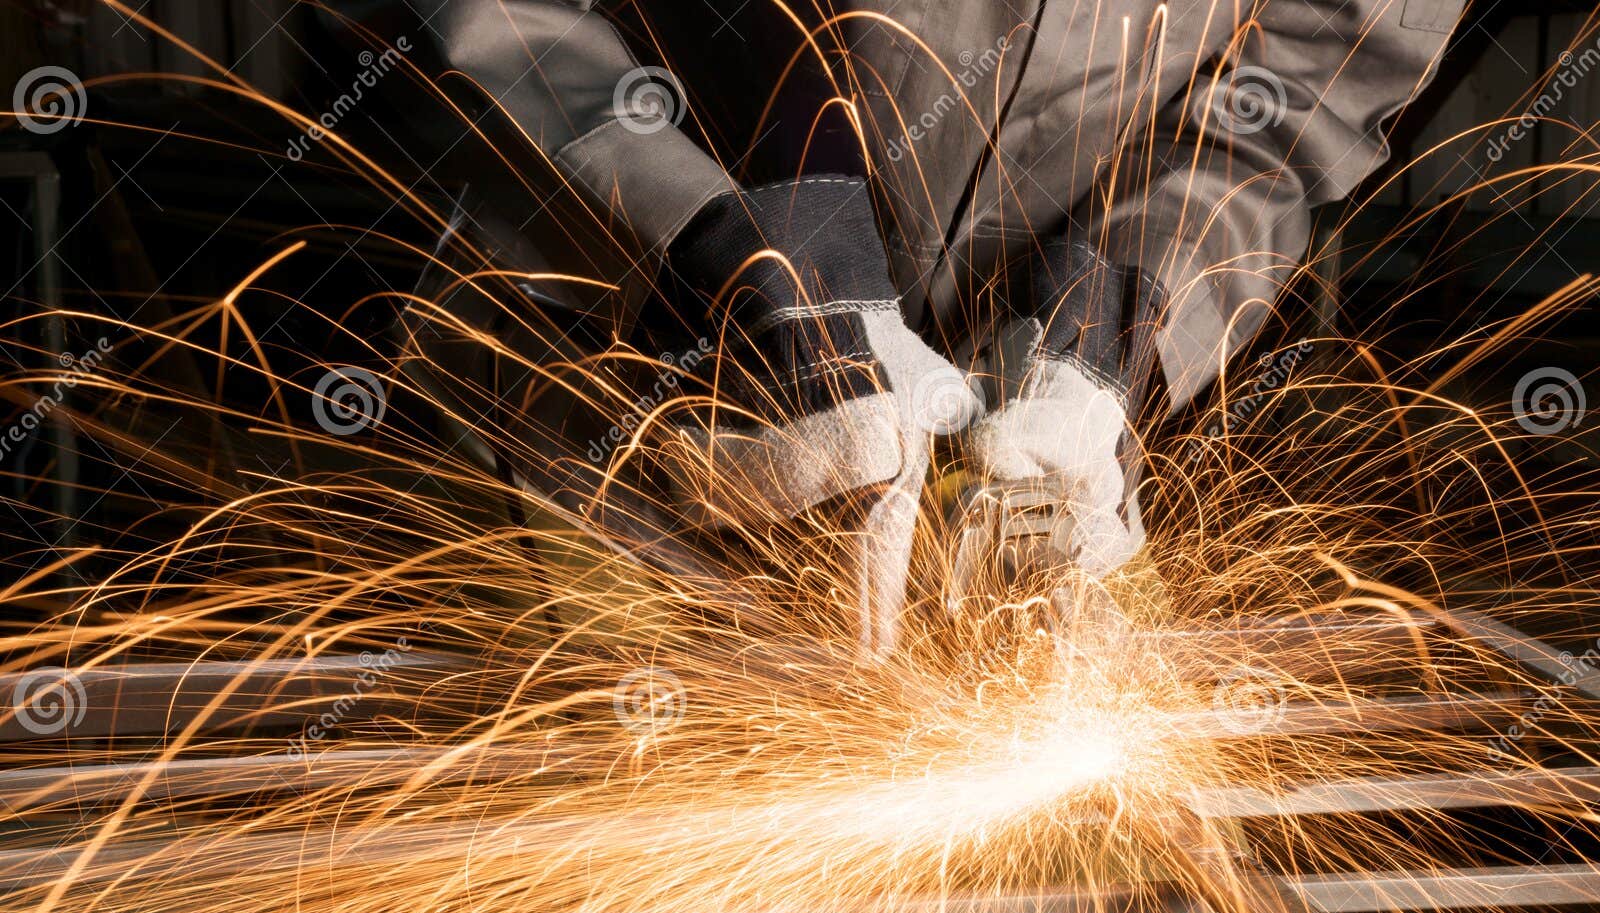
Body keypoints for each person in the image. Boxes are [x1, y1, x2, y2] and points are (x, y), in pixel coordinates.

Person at [326, 0, 1464, 652]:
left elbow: (1305, 80)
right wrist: (727, 262)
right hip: (609, 364)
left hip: (1023, 438)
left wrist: (1110, 335)